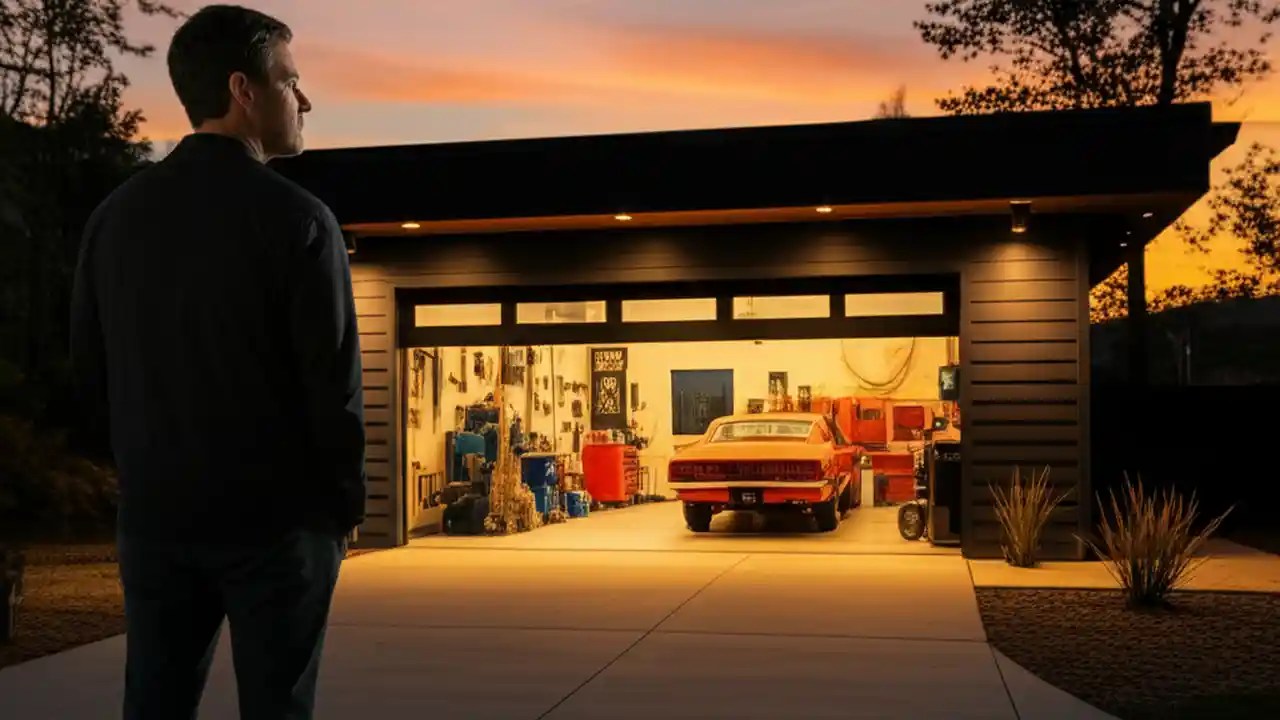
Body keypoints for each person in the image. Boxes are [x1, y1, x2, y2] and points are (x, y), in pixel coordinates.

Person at [69, 5, 366, 719]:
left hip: (157, 519)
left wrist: (135, 475)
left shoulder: (114, 217)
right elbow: (332, 383)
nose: (304, 100)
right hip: (278, 525)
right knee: (277, 706)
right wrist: (343, 505)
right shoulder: (298, 219)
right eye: (291, 82)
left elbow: (89, 370)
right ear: (244, 91)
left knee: (155, 702)